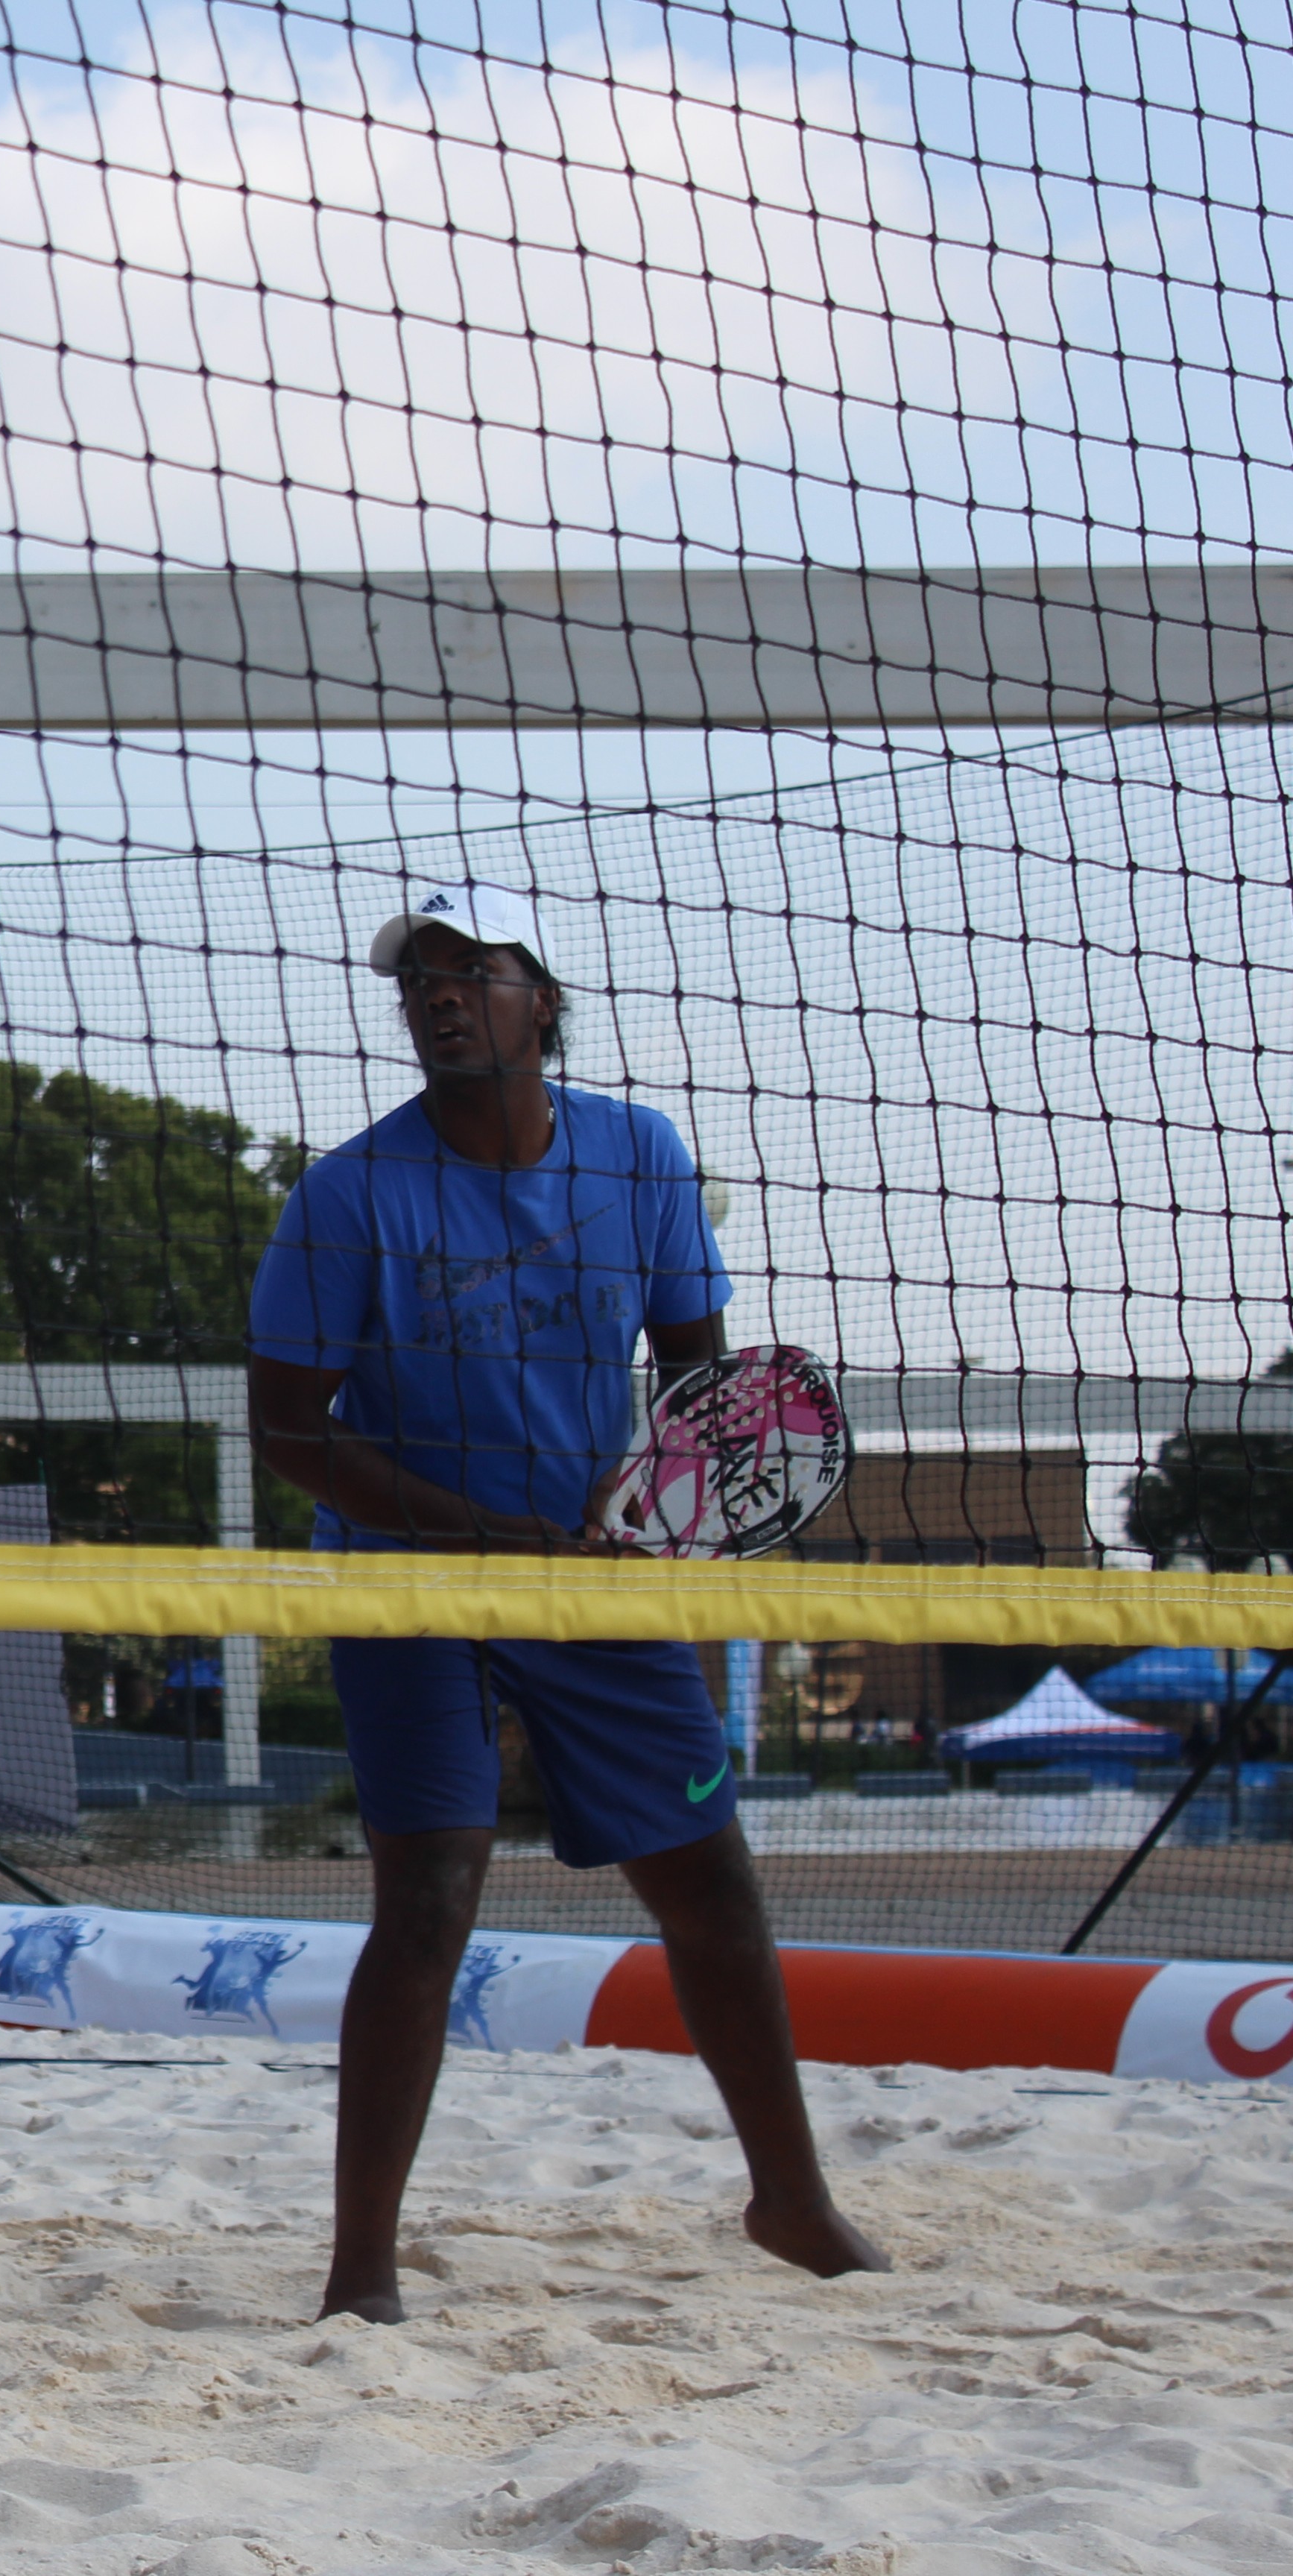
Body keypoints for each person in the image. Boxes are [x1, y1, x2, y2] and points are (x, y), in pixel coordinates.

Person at [246, 882, 886, 2325]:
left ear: (541, 1000)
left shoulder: (636, 1155)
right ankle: (360, 2274)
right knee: (428, 1899)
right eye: (417, 979)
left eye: (469, 971)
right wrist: (493, 1531)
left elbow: (707, 1391)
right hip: (414, 1577)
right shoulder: (350, 1192)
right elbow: (285, 1429)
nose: (436, 995)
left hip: (596, 1574)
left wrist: (648, 1491)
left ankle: (790, 2201)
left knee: (711, 1885)